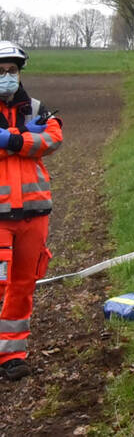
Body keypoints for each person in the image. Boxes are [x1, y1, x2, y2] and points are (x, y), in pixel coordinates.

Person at [0, 40, 62, 381]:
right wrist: (26, 140)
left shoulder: (36, 107)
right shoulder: (31, 118)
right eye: (1, 71)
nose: (7, 77)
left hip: (35, 213)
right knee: (0, 283)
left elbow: (53, 139)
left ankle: (12, 355)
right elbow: (37, 144)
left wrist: (10, 140)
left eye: (12, 71)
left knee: (23, 285)